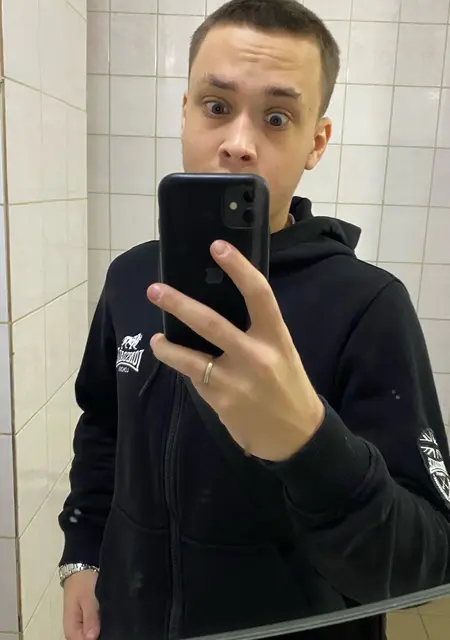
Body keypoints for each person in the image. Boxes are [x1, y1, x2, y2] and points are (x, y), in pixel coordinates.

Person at [59, 1, 450, 639]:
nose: (239, 143)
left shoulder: (370, 306)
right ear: (185, 112)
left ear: (315, 142)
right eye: (216, 106)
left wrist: (309, 442)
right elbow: (102, 424)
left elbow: (425, 567)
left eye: (276, 117)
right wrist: (82, 554)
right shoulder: (130, 278)